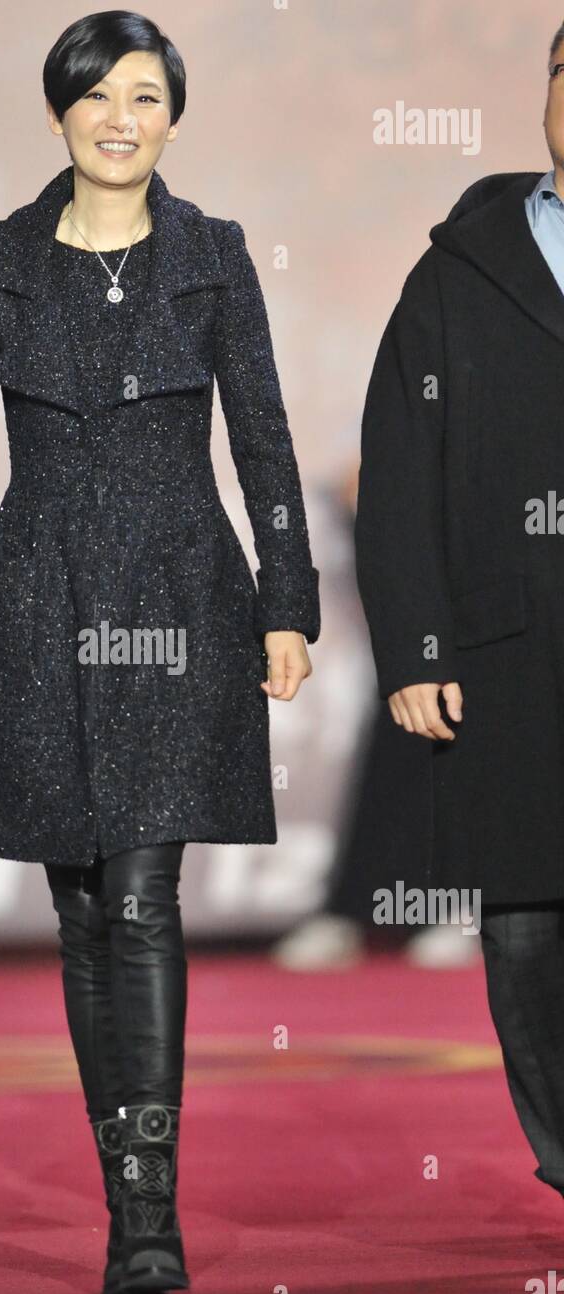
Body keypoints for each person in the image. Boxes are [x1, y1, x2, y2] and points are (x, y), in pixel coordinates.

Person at [0, 11, 320, 1294]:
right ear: (61, 113)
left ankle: (150, 1217)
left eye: (144, 95)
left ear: (173, 117)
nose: (119, 117)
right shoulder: (1, 259)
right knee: (84, 913)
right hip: (34, 601)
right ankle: (120, 1191)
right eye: (96, 96)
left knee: (142, 900)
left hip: (179, 604)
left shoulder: (214, 256)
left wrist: (287, 598)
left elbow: (264, 438)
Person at [355, 23, 564, 1204]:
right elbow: (399, 470)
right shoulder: (460, 270)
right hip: (510, 646)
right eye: (562, 72)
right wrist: (416, 644)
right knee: (529, 931)